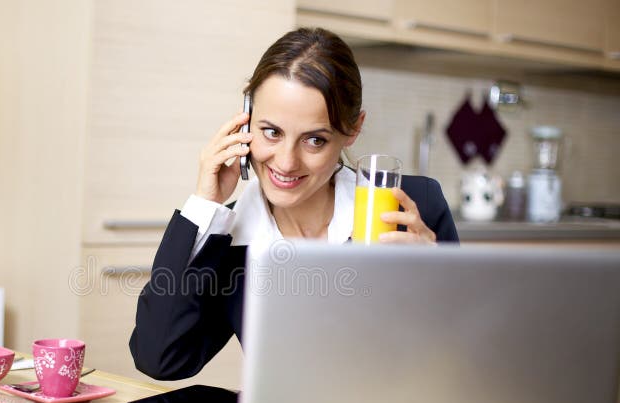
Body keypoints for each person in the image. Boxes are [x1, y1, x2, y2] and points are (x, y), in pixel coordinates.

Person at [130, 27, 458, 380]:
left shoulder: (412, 211)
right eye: (271, 132)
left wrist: (437, 283)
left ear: (353, 130)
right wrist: (204, 204)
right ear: (247, 117)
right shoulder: (229, 242)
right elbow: (159, 358)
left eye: (314, 140)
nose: (286, 162)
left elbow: (467, 369)